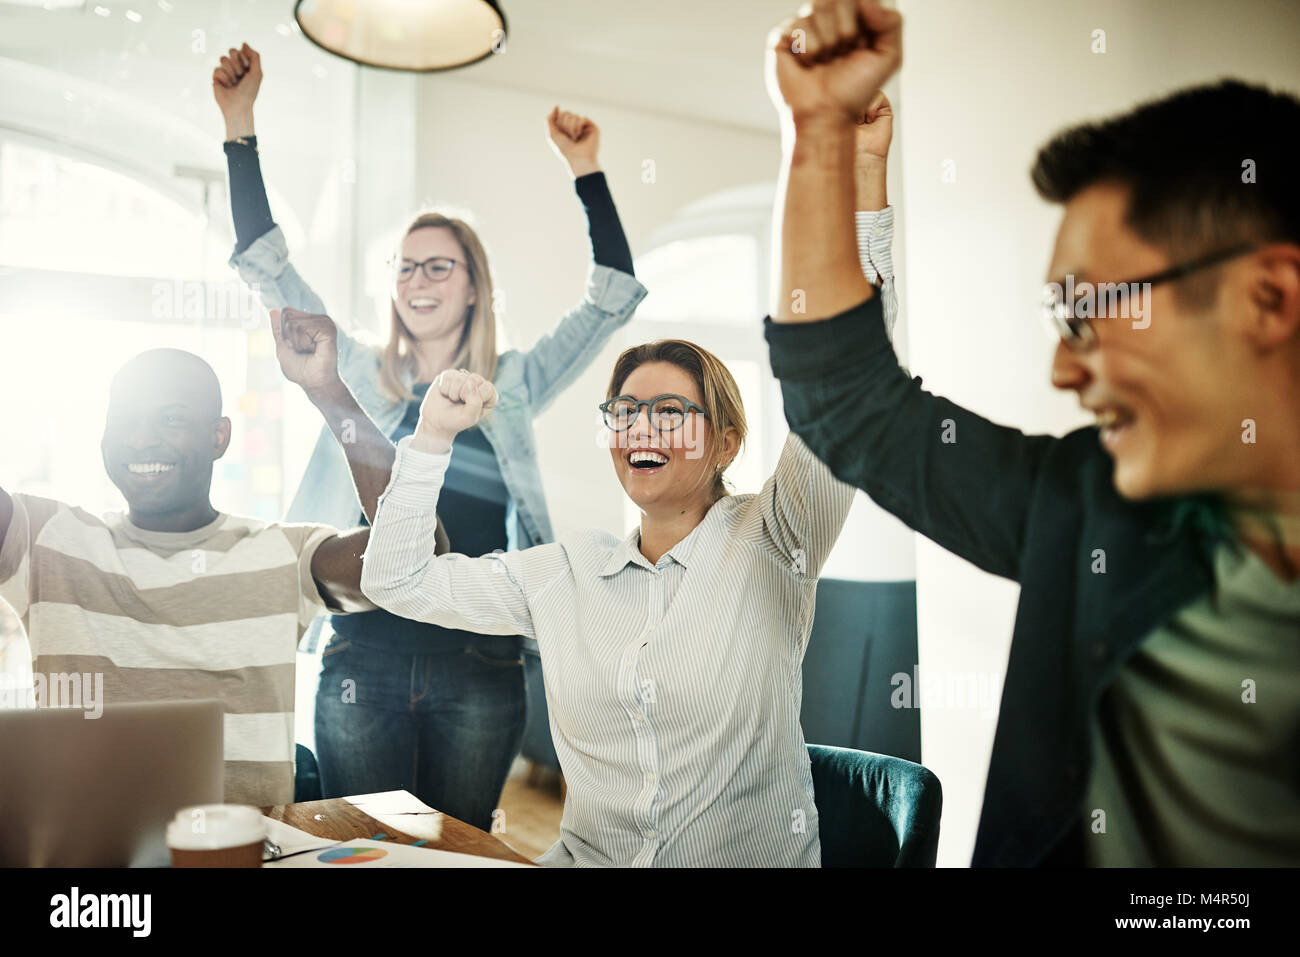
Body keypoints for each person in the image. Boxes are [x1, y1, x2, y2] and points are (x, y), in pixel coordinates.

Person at [763, 0, 1300, 866]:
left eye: (1088, 308)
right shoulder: (1087, 497)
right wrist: (820, 131)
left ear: (1266, 298)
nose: (1060, 369)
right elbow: (848, 404)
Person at [212, 44, 647, 829]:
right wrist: (239, 127)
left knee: (459, 847)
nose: (417, 281)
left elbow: (611, 298)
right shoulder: (351, 366)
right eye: (406, 267)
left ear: (475, 283)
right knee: (360, 844)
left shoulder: (510, 385)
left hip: (479, 662)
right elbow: (267, 269)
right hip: (361, 656)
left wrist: (587, 169)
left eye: (438, 267)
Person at [0, 347, 378, 806]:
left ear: (219, 436)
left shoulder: (284, 552)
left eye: (171, 420)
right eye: (125, 420)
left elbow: (414, 554)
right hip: (89, 859)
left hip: (242, 852)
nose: (140, 440)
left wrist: (331, 394)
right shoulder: (44, 538)